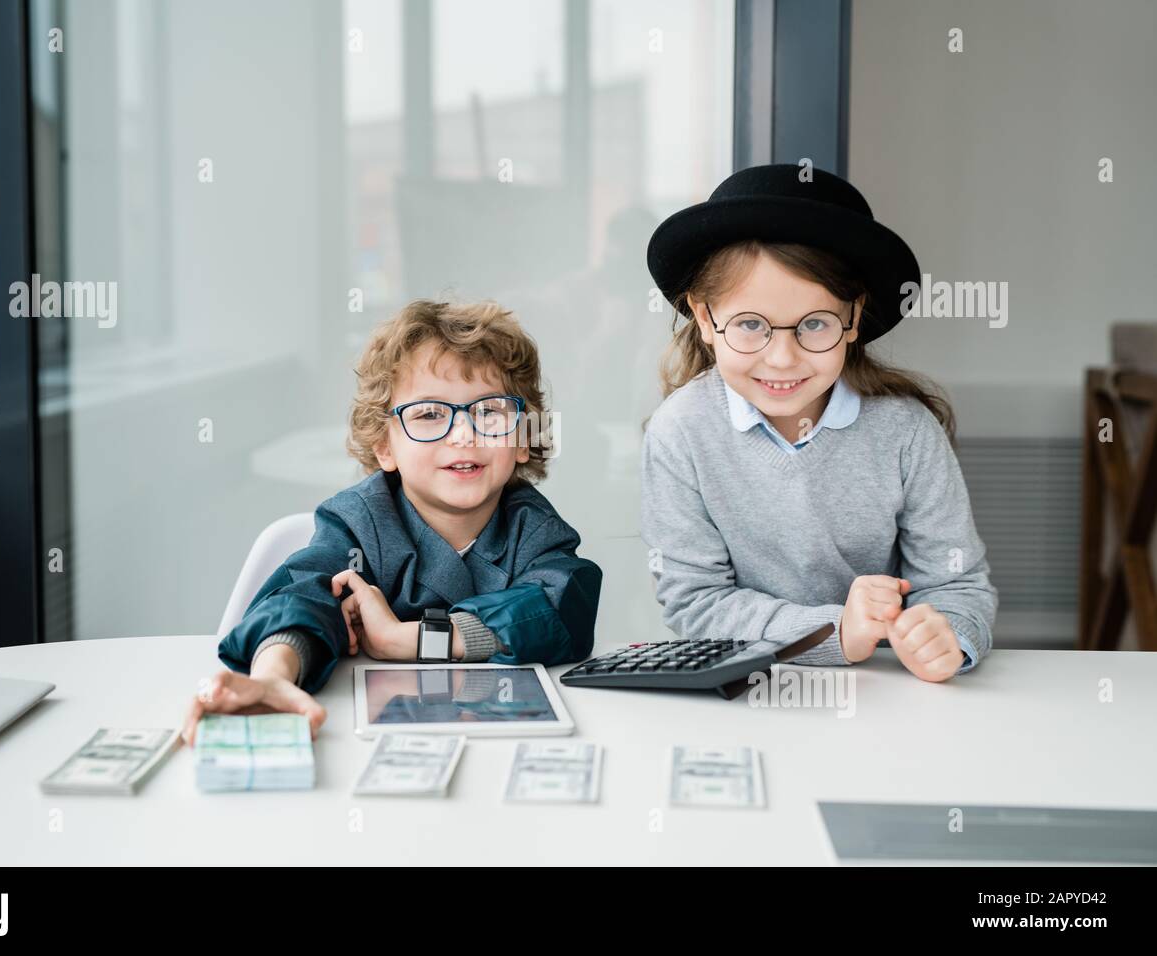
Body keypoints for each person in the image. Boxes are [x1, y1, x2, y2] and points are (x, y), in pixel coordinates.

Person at [183, 299, 602, 742]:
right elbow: (303, 593)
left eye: (490, 411)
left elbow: (563, 606)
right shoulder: (359, 521)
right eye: (428, 414)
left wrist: (409, 639)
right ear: (384, 446)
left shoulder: (532, 527)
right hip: (363, 739)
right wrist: (274, 676)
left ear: (522, 438)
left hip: (499, 738)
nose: (464, 433)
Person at [641, 163, 996, 683]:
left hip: (882, 688)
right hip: (745, 689)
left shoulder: (907, 432)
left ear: (853, 318)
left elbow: (956, 584)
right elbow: (697, 603)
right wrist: (835, 632)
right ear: (703, 318)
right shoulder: (680, 433)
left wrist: (949, 635)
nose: (782, 359)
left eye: (814, 324)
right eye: (749, 325)